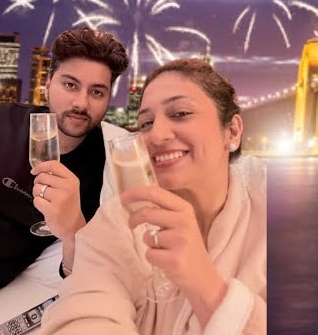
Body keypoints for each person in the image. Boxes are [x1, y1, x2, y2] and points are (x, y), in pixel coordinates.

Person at [42, 58, 266, 335]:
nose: (156, 136)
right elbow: (81, 313)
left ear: (231, 131)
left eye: (180, 113)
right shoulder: (119, 220)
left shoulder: (271, 220)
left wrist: (204, 284)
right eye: (146, 123)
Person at [0, 27, 130, 297]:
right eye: (70, 85)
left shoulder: (106, 170)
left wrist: (73, 230)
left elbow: (82, 277)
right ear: (48, 83)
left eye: (97, 92)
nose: (81, 103)